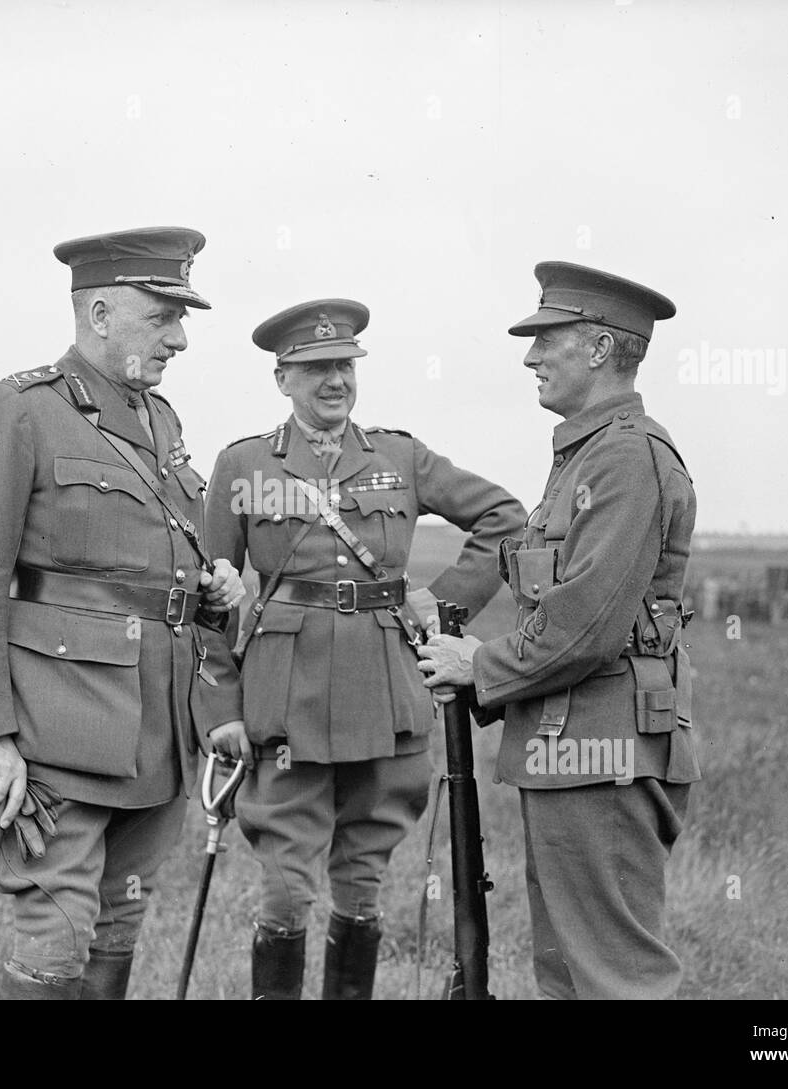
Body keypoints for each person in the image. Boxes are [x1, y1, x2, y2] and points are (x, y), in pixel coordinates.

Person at [0, 226, 246, 1000]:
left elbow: (137, 568)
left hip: (154, 739)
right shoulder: (19, 411)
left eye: (181, 316)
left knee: (116, 931)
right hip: (53, 739)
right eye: (162, 315)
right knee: (55, 943)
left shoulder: (158, 421)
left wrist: (211, 585)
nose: (181, 337)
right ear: (99, 314)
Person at [204, 298, 526, 999]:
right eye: (316, 368)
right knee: (286, 887)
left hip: (386, 694)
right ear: (282, 378)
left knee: (364, 879)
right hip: (285, 700)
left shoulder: (400, 457)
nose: (335, 381)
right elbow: (208, 601)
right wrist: (220, 708)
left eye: (345, 366)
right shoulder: (242, 465)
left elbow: (505, 518)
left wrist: (442, 611)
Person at [417, 261, 700, 1000]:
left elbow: (587, 626)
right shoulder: (590, 453)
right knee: (571, 978)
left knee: (614, 981)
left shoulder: (626, 458)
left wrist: (479, 665)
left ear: (602, 348)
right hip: (572, 752)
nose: (530, 355)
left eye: (549, 337)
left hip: (605, 756)